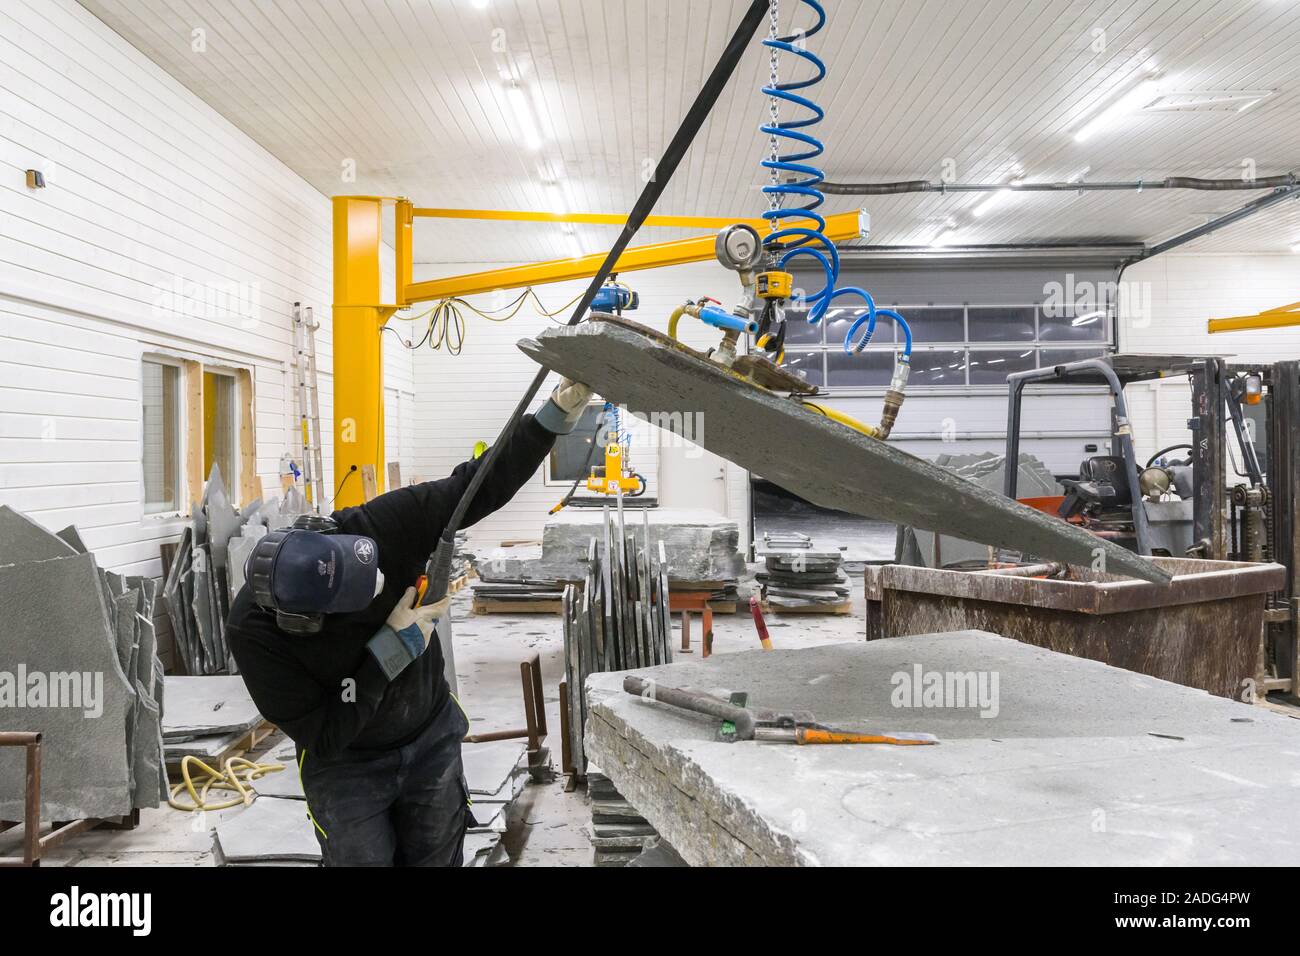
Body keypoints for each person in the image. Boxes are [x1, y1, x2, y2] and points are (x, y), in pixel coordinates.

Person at [226, 377, 593, 866]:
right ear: (305, 620)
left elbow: (474, 487)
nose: (379, 582)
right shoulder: (256, 632)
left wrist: (553, 417)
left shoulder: (378, 526)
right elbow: (326, 733)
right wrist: (389, 651)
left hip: (428, 735)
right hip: (346, 768)